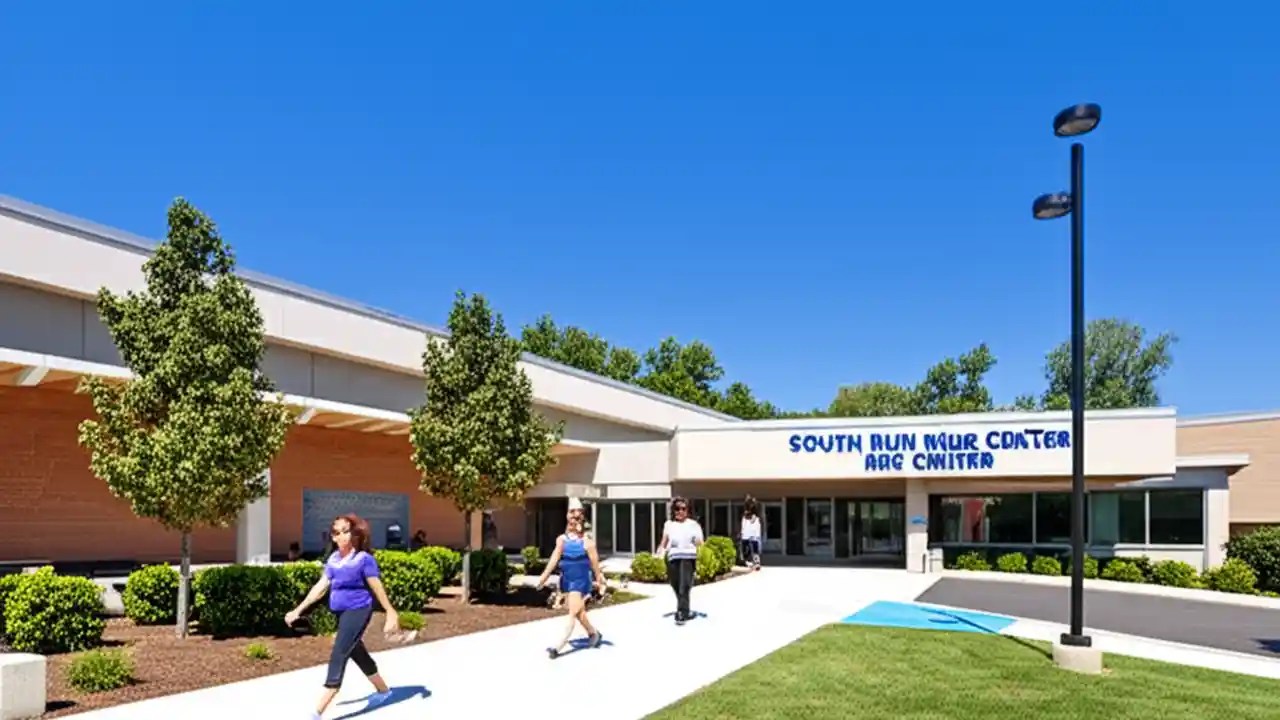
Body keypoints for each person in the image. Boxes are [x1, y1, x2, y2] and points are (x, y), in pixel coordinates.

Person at [286, 514, 401, 720]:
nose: (342, 536)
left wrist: (390, 612)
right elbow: (320, 588)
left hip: (358, 610)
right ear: (333, 537)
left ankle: (317, 711)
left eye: (346, 531)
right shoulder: (333, 560)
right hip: (341, 612)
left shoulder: (364, 559)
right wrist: (298, 610)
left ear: (354, 534)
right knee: (356, 651)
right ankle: (384, 691)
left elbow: (376, 586)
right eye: (337, 533)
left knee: (339, 651)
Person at [536, 513, 606, 658]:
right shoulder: (561, 540)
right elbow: (554, 559)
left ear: (581, 525)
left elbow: (595, 565)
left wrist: (600, 581)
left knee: (572, 613)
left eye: (575, 522)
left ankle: (557, 646)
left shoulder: (588, 543)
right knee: (579, 612)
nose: (571, 525)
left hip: (580, 581)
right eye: (570, 522)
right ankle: (593, 633)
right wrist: (543, 578)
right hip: (567, 580)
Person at [655, 496, 704, 625]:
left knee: (684, 586)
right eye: (677, 509)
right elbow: (664, 541)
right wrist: (660, 551)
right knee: (675, 585)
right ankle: (685, 610)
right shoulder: (669, 524)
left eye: (683, 509)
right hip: (673, 558)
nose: (680, 512)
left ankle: (681, 613)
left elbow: (700, 543)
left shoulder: (693, 524)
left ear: (687, 510)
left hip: (688, 557)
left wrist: (696, 540)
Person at [740, 499, 762, 571]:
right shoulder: (746, 518)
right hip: (749, 536)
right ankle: (752, 562)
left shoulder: (755, 517)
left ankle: (755, 563)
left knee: (752, 550)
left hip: (752, 536)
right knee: (749, 550)